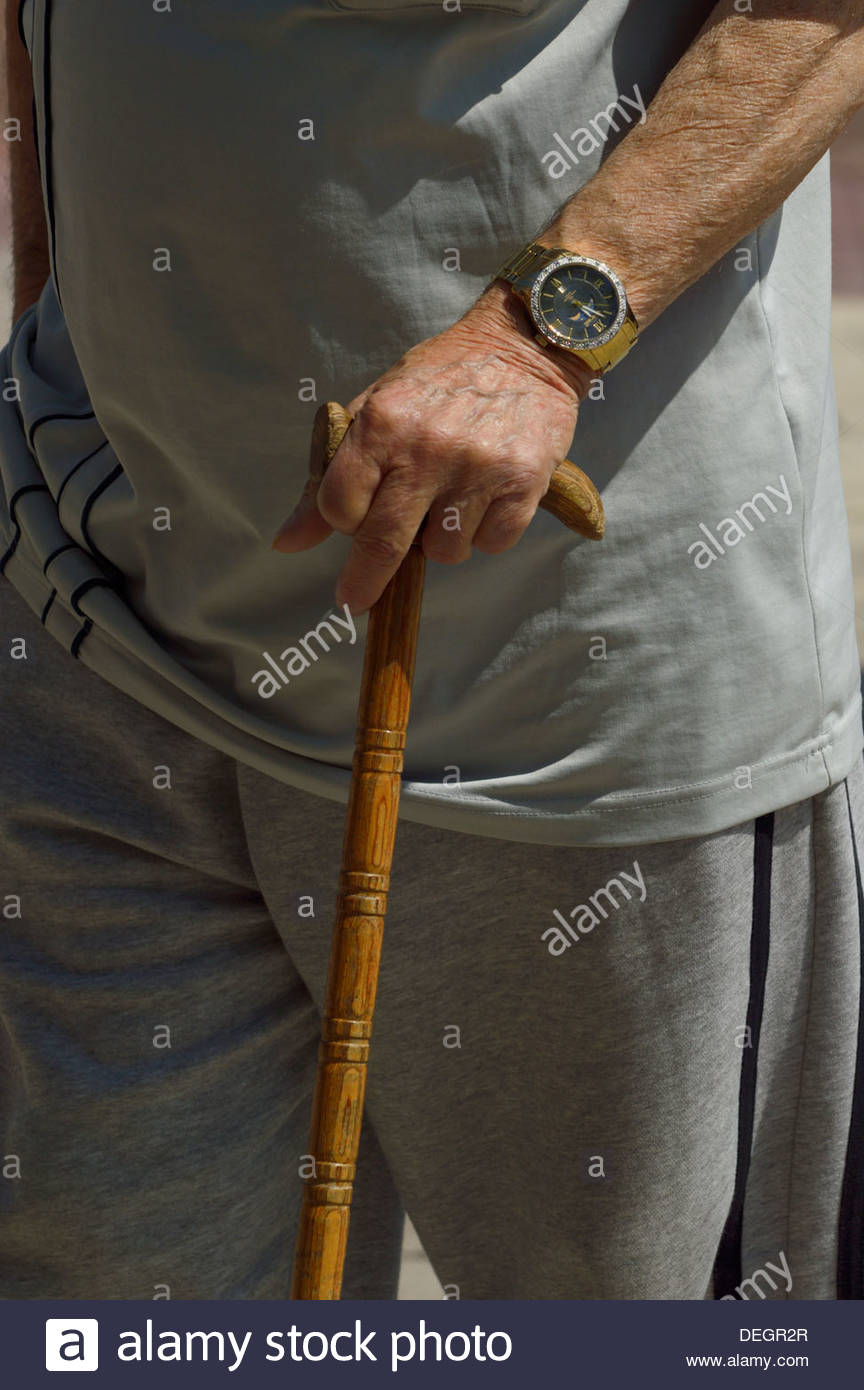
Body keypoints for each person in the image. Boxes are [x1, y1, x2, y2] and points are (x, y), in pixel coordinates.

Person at [0, 0, 862, 1301]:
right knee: (110, 1326)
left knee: (622, 1338)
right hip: (103, 606)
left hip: (554, 699)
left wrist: (538, 339)